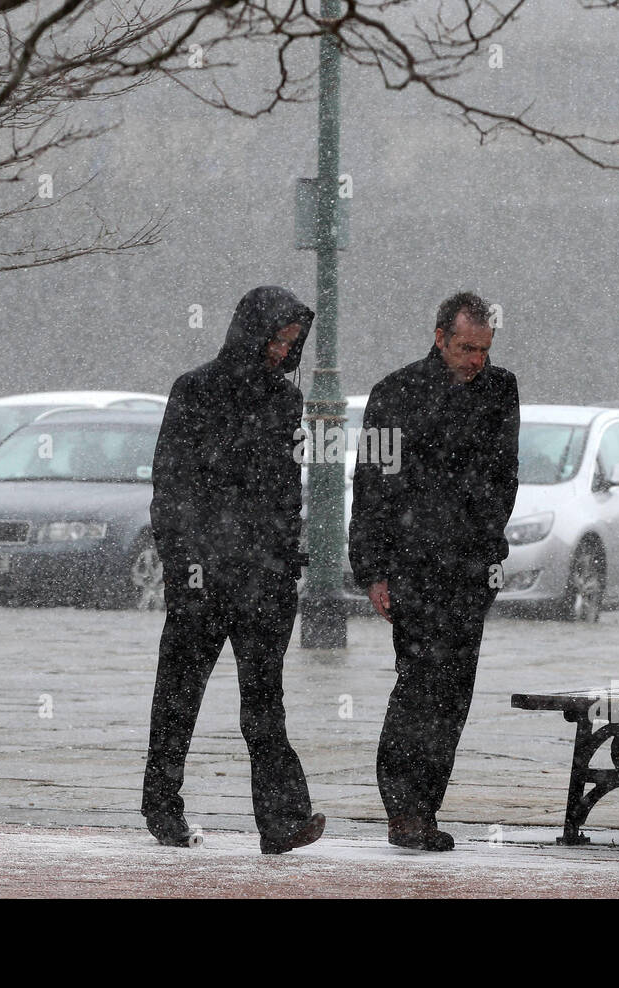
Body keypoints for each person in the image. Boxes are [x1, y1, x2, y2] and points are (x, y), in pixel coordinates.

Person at [142, 285, 325, 855]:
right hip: (204, 575)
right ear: (253, 331)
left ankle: (282, 820)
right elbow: (172, 489)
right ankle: (161, 804)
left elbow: (284, 489)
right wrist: (187, 568)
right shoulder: (194, 390)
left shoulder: (283, 401)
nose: (282, 351)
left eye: (292, 343)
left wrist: (283, 560)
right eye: (277, 339)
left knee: (264, 699)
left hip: (262, 578)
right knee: (179, 696)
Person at [349, 292, 519, 851]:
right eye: (467, 348)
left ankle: (426, 803)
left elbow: (504, 477)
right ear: (440, 337)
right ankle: (404, 808)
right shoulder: (394, 393)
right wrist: (372, 568)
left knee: (454, 689)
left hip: (471, 568)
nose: (476, 360)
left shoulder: (500, 390)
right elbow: (372, 485)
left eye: (484, 350)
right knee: (419, 682)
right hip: (413, 567)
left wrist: (484, 543)